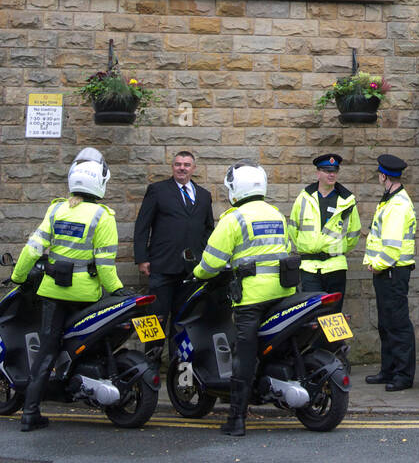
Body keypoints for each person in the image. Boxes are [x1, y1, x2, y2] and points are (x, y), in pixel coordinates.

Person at [11, 148, 123, 432]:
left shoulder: (57, 209)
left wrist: (18, 276)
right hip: (86, 295)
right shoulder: (103, 216)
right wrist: (119, 291)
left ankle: (30, 413)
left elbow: (33, 248)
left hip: (52, 293)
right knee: (89, 343)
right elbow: (106, 265)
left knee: (46, 352)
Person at [193, 161, 297, 437]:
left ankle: (237, 418)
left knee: (244, 354)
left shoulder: (233, 218)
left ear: (235, 189)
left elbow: (212, 261)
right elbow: (286, 248)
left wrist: (197, 272)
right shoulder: (275, 214)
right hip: (283, 292)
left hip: (252, 298)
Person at [133, 150, 214, 359]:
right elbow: (142, 225)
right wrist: (142, 258)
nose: (182, 168)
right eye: (178, 164)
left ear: (193, 169)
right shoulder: (157, 190)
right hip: (161, 266)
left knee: (185, 320)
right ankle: (149, 361)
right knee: (153, 318)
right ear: (172, 167)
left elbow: (208, 228)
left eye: (187, 165)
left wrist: (201, 253)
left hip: (191, 271)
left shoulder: (204, 195)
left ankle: (180, 364)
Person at [362, 155, 416, 392]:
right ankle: (389, 370)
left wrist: (378, 264)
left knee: (397, 324)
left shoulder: (396, 205)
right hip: (389, 272)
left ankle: (402, 376)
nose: (378, 177)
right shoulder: (390, 201)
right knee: (386, 323)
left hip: (392, 271)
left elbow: (392, 246)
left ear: (384, 176)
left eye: (379, 174)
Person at [288, 153, 360, 310]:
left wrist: (336, 249)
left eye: (334, 170)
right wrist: (308, 246)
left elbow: (353, 235)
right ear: (318, 173)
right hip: (309, 267)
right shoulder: (304, 198)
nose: (332, 174)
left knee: (333, 315)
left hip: (335, 266)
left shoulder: (347, 201)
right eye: (327, 171)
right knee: (312, 316)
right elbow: (293, 229)